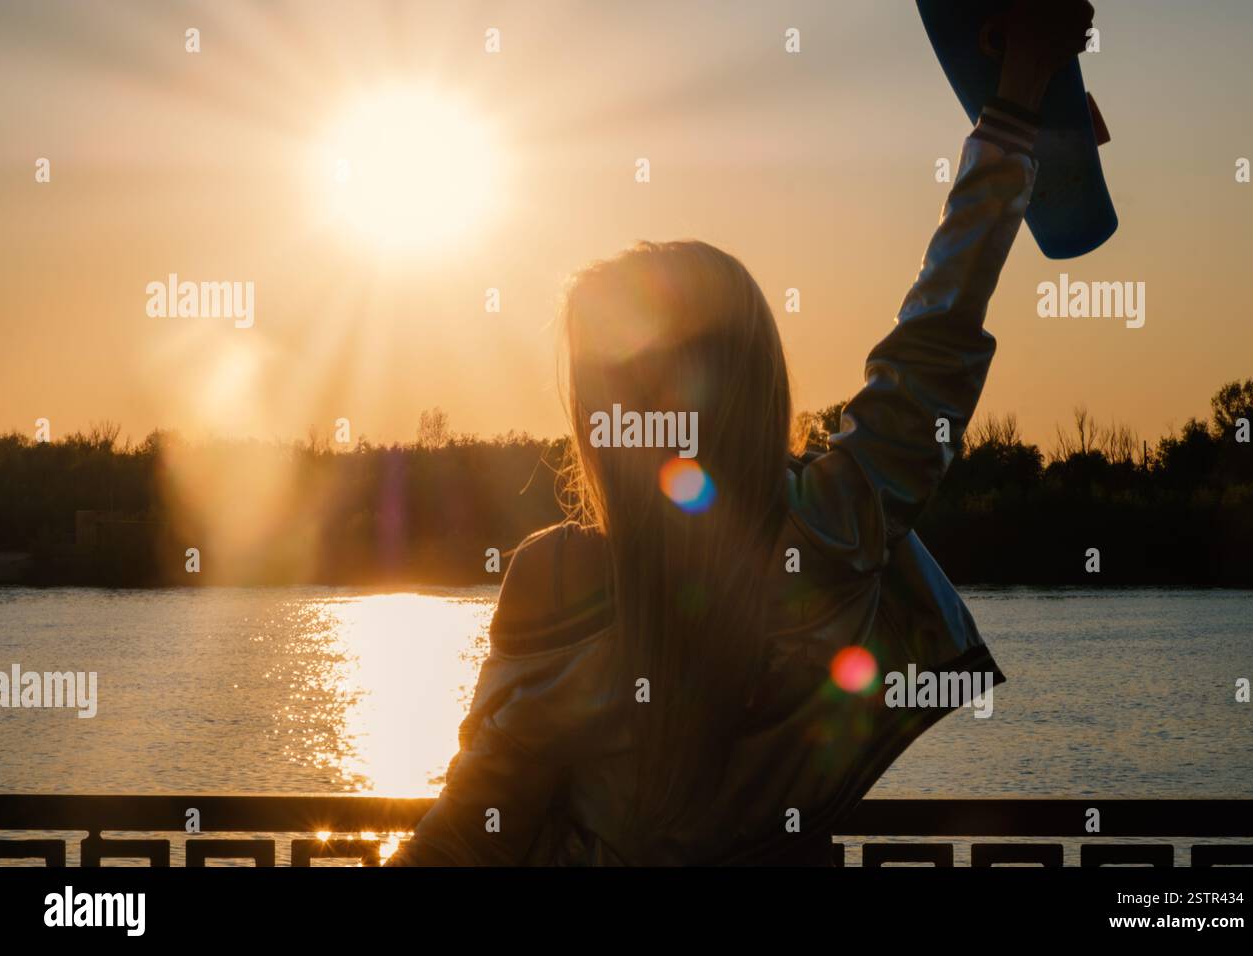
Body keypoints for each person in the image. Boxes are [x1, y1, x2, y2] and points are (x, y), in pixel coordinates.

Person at [387, 0, 1095, 866]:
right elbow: (937, 337)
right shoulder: (833, 532)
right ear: (757, 386)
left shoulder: (559, 576)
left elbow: (472, 827)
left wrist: (1020, 117)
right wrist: (1016, 111)